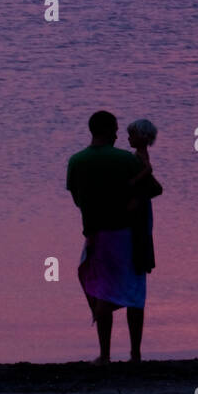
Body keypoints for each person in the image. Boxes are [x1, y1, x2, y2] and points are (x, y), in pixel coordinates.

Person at [67, 111, 143, 364]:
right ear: (112, 131)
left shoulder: (76, 161)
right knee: (135, 291)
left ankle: (105, 354)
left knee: (103, 291)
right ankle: (135, 354)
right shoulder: (125, 160)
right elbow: (148, 189)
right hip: (128, 233)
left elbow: (78, 199)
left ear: (91, 130)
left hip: (96, 233)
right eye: (117, 130)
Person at [124, 117, 162, 361]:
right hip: (140, 225)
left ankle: (134, 351)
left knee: (134, 281)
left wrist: (132, 183)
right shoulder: (136, 157)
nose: (128, 138)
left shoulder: (138, 158)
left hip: (138, 226)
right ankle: (135, 351)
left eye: (132, 134)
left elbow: (151, 177)